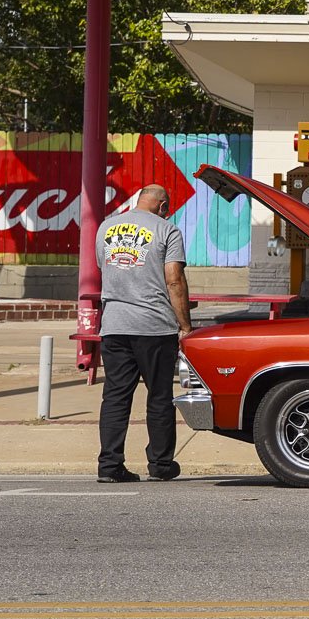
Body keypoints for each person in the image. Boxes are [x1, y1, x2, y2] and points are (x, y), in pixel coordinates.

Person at [95, 184, 191, 483]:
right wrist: (185, 326)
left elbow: (105, 268)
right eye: (167, 208)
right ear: (162, 205)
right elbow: (174, 280)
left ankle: (109, 465)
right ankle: (160, 464)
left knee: (115, 396)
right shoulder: (167, 230)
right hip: (154, 326)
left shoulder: (106, 227)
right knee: (159, 396)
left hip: (114, 324)